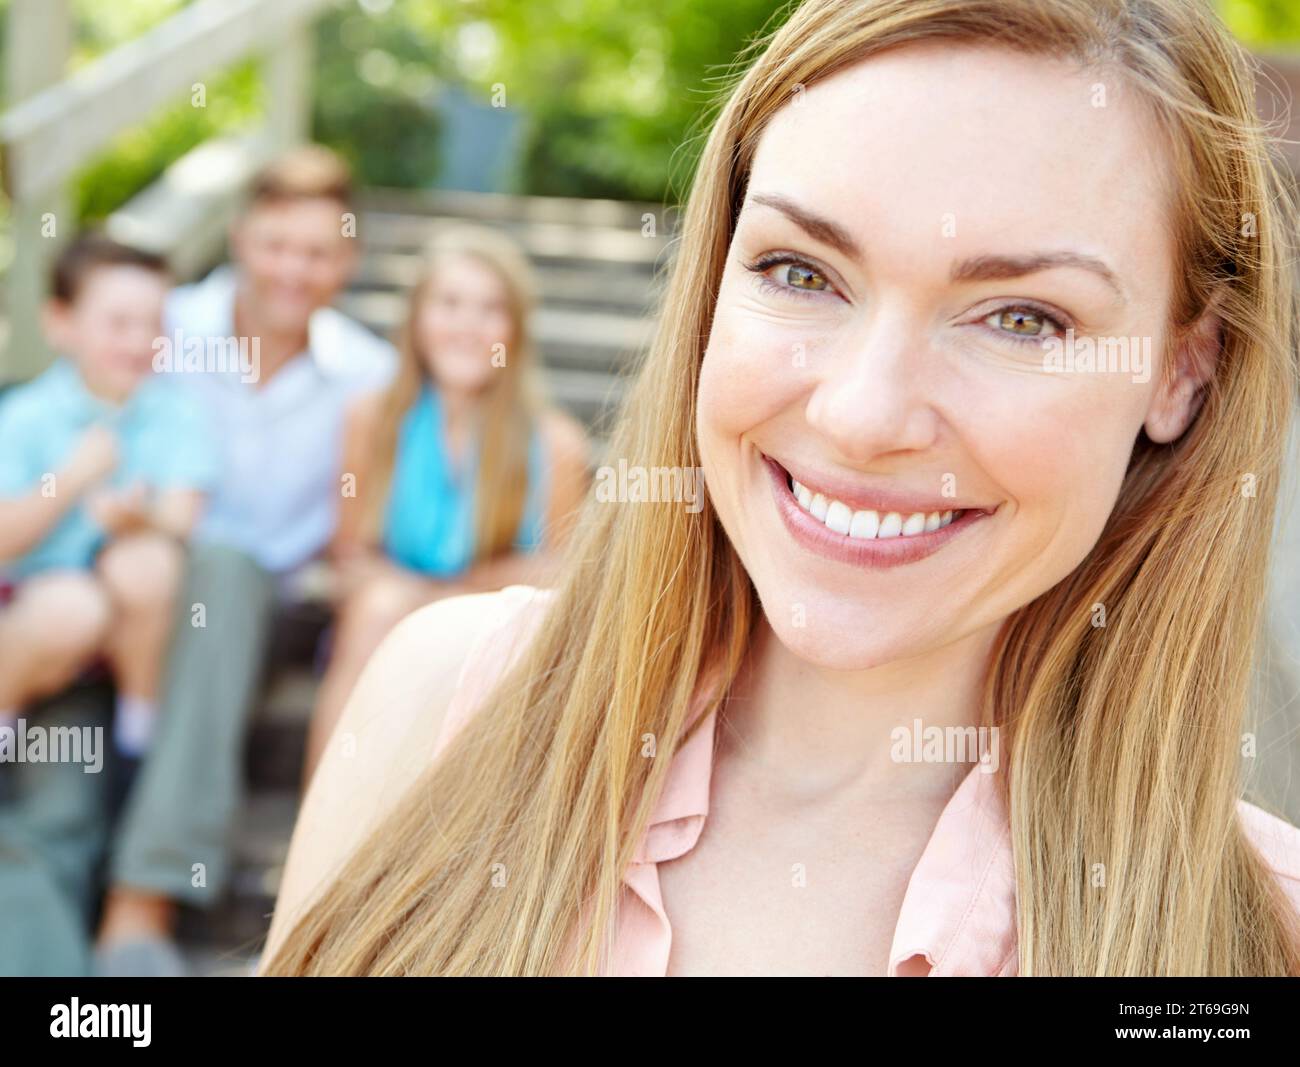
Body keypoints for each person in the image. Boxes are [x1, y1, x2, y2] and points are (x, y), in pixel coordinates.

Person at [263, 0, 1300, 976]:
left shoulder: (1257, 936)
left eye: (1022, 317)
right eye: (801, 272)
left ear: (1183, 369)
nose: (860, 413)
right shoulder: (434, 708)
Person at [91, 145, 396, 976]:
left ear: (350, 262)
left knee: (225, 572)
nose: (294, 269)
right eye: (276, 244)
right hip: (134, 588)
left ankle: (141, 899)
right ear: (238, 237)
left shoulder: (367, 374)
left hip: (272, 609)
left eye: (319, 251)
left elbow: (360, 532)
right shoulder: (166, 328)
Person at [300, 225, 590, 784]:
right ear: (417, 321)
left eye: (489, 310)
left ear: (515, 330)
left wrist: (435, 596)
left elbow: (560, 576)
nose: (467, 327)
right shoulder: (371, 419)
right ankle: (323, 839)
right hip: (385, 628)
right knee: (376, 609)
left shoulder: (554, 443)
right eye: (449, 304)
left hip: (494, 636)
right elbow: (351, 557)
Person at [0, 234, 217, 975]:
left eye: (153, 325)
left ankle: (137, 731)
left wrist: (140, 518)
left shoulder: (172, 413)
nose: (139, 342)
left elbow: (184, 514)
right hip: (34, 615)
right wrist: (72, 476)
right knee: (70, 604)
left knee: (148, 563)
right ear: (61, 322)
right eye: (117, 323)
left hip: (125, 627)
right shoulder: (28, 415)